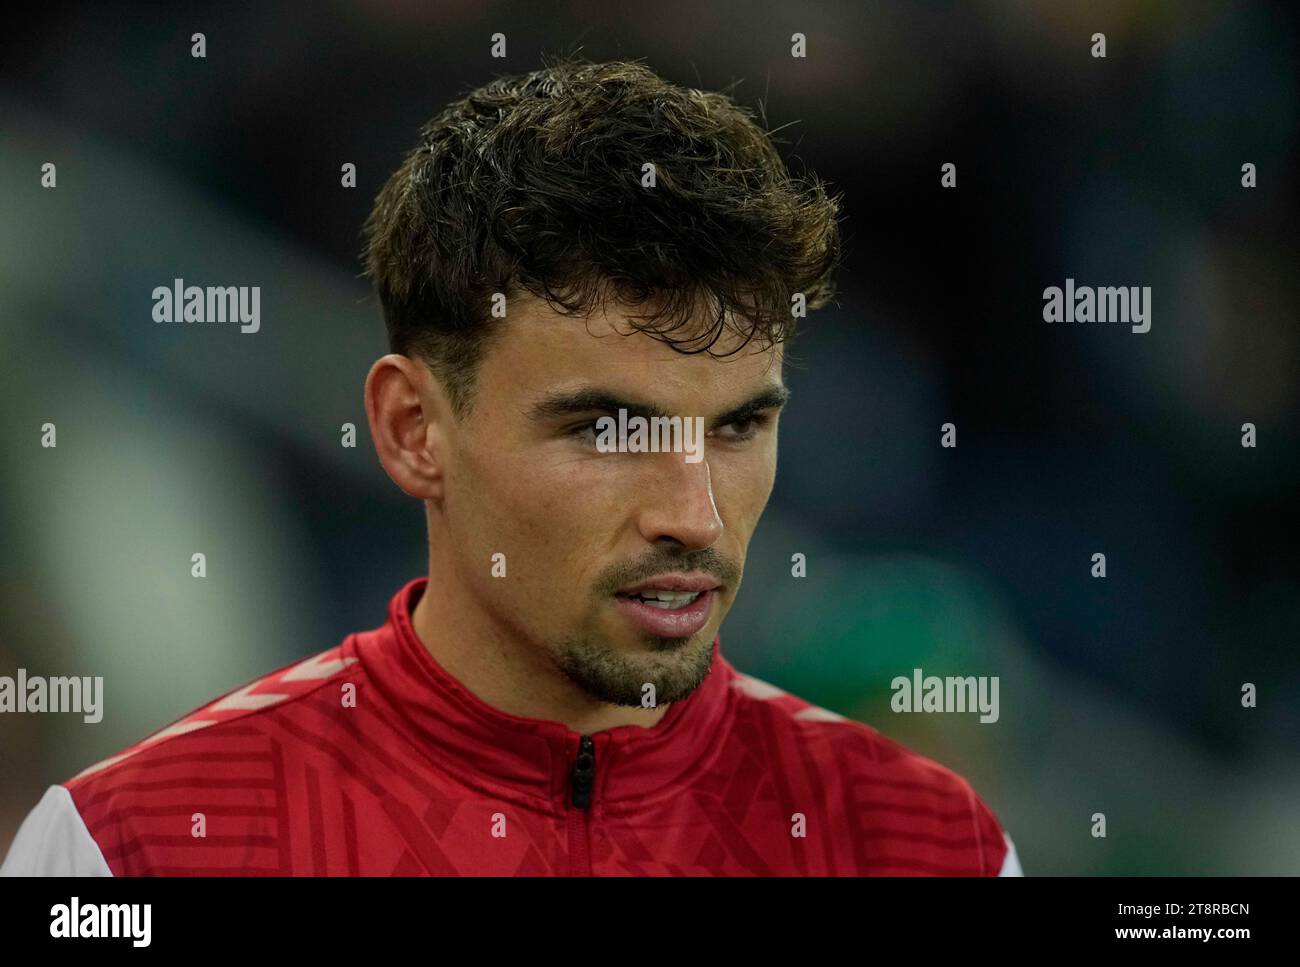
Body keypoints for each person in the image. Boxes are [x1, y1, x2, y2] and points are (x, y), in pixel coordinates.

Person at [2, 58, 1020, 876]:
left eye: (738, 428)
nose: (694, 516)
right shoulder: (133, 849)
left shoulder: (930, 846)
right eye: (608, 430)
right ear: (411, 430)